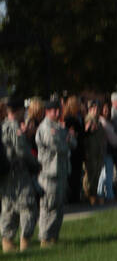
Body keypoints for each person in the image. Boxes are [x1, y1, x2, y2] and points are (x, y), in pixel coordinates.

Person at [1, 98, 41, 253]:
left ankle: (7, 242)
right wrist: (35, 164)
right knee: (28, 206)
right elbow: (22, 151)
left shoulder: (2, 126)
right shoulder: (14, 127)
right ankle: (25, 242)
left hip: (4, 176)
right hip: (17, 174)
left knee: (8, 207)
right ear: (17, 111)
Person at [35, 95, 72, 245]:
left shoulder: (58, 127)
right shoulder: (46, 128)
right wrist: (66, 140)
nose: (57, 113)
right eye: (54, 111)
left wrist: (67, 139)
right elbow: (58, 146)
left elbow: (73, 142)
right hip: (49, 173)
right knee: (49, 206)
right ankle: (45, 238)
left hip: (60, 171)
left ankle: (53, 237)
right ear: (47, 112)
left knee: (58, 207)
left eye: (59, 110)